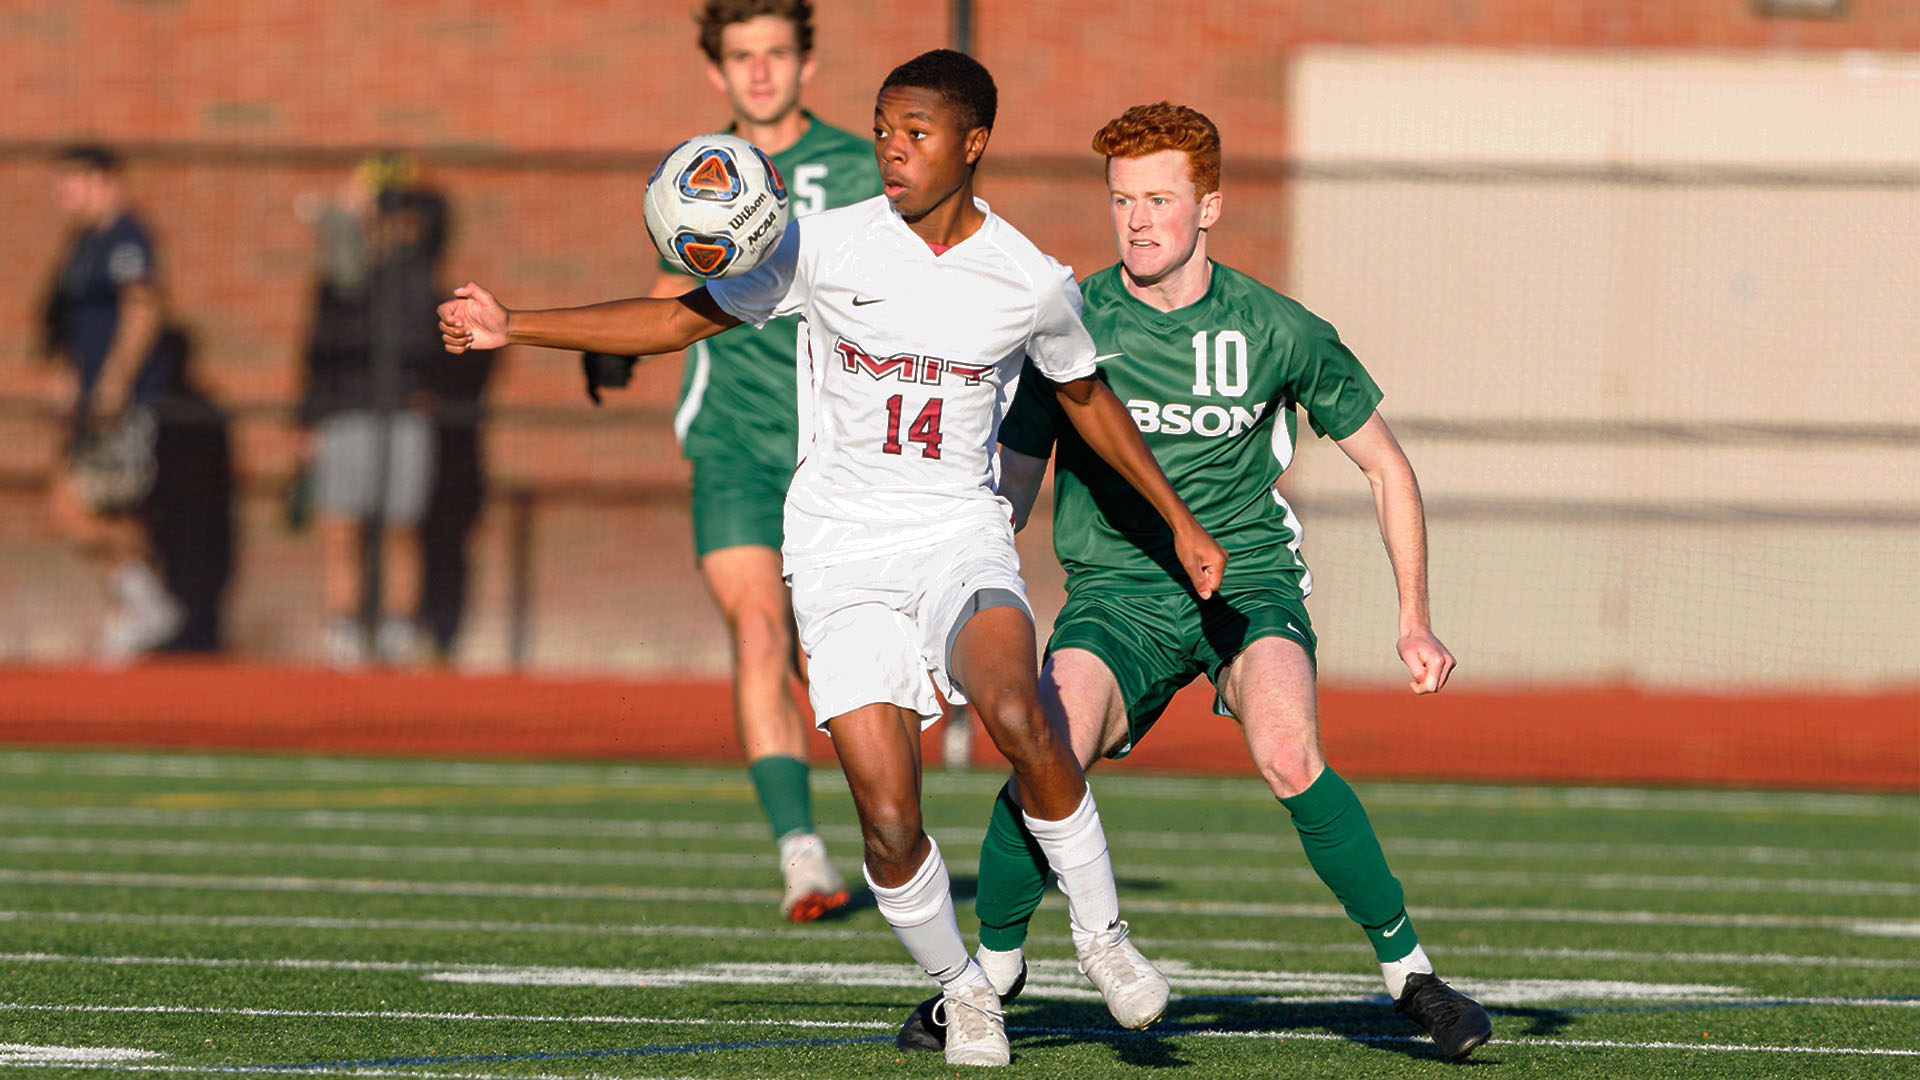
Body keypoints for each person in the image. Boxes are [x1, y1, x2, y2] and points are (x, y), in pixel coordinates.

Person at [441, 50, 1226, 1070]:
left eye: (917, 132)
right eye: (881, 129)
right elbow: (680, 319)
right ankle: (964, 990)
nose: (892, 150)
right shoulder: (823, 245)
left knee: (1022, 711)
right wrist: (518, 326)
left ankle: (1104, 937)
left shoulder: (1029, 279)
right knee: (891, 821)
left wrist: (1178, 518)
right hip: (841, 555)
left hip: (957, 534)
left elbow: (1087, 401)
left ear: (973, 142)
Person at [895, 103, 1494, 1061]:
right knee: (1046, 750)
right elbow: (1006, 486)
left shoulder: (1279, 327)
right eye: (1122, 200)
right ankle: (993, 976)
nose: (1138, 220)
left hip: (1247, 584)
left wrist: (1414, 620)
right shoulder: (1066, 320)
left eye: (1160, 199)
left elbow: (1388, 466)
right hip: (1116, 595)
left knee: (1290, 751)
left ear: (1208, 207)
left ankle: (1411, 975)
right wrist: (952, 610)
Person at [648, 0, 884, 924]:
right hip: (735, 446)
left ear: (806, 61)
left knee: (849, 658)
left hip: (847, 452)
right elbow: (682, 297)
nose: (758, 72)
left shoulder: (863, 169)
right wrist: (613, 338)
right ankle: (801, 854)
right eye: (740, 56)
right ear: (717, 70)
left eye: (775, 53)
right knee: (756, 632)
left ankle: (893, 834)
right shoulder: (688, 178)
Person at [296, 154, 449, 669]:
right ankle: (343, 628)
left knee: (400, 525)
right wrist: (307, 422)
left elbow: (437, 215)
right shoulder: (339, 281)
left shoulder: (415, 267)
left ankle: (398, 628)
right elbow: (313, 352)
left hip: (402, 411)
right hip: (343, 411)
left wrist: (386, 188)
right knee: (340, 525)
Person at [40, 145, 184, 663]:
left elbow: (143, 308)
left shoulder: (127, 235)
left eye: (71, 181)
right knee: (99, 508)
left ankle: (146, 603)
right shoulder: (81, 245)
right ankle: (135, 605)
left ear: (104, 181)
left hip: (125, 400)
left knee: (75, 507)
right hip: (89, 402)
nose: (62, 195)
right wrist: (66, 378)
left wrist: (114, 381)